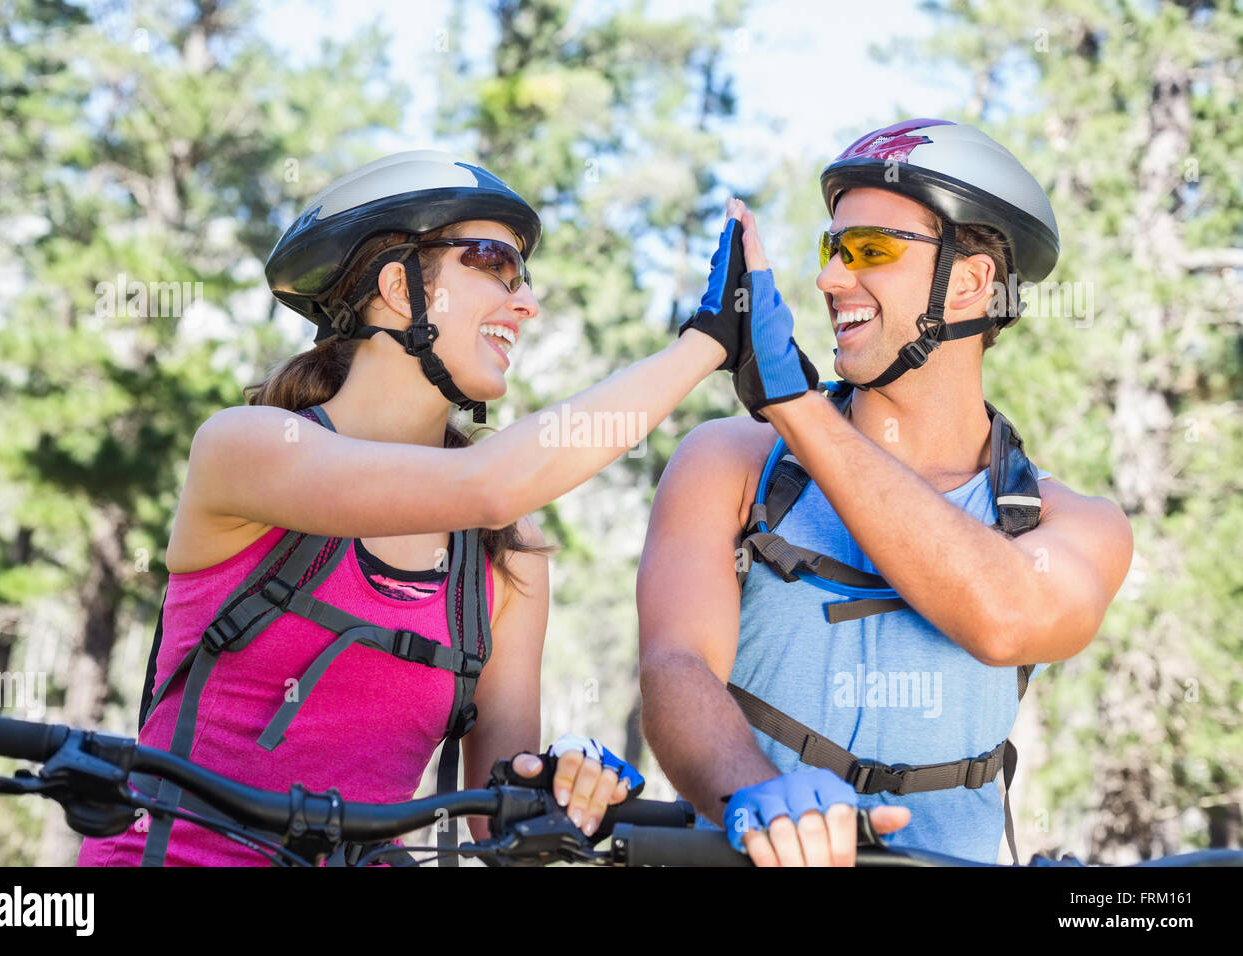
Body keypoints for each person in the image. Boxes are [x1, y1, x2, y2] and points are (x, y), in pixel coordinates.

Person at [77, 149, 749, 866]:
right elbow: (492, 479)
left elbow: (502, 820)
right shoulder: (248, 448)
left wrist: (564, 787)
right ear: (399, 287)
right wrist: (705, 345)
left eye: (523, 276)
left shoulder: (505, 554)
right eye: (492, 261)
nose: (526, 302)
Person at [638, 119, 1134, 867]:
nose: (832, 280)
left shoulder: (1073, 524)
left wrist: (796, 407)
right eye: (830, 250)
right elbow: (675, 668)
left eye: (871, 250)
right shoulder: (731, 462)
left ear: (970, 283)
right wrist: (761, 802)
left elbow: (1005, 617)